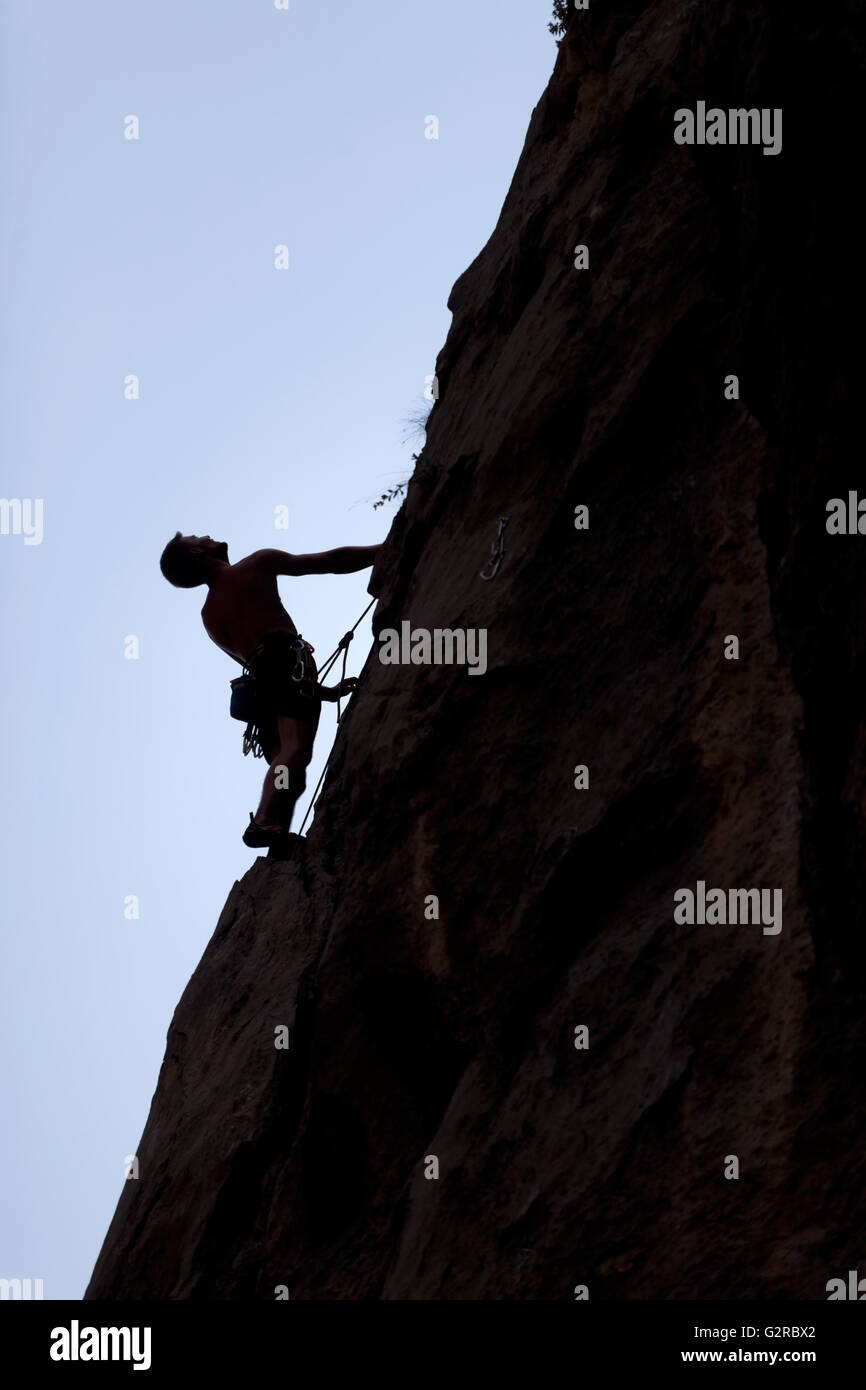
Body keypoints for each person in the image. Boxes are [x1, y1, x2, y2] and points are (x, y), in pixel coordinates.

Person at [159, 533, 381, 846]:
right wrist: (383, 550)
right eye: (200, 537)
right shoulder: (256, 563)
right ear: (198, 550)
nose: (208, 535)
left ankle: (277, 837)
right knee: (295, 750)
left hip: (259, 686)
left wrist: (323, 692)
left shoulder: (209, 617)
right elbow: (330, 562)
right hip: (284, 657)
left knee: (290, 766)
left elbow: (263, 671)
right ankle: (263, 823)